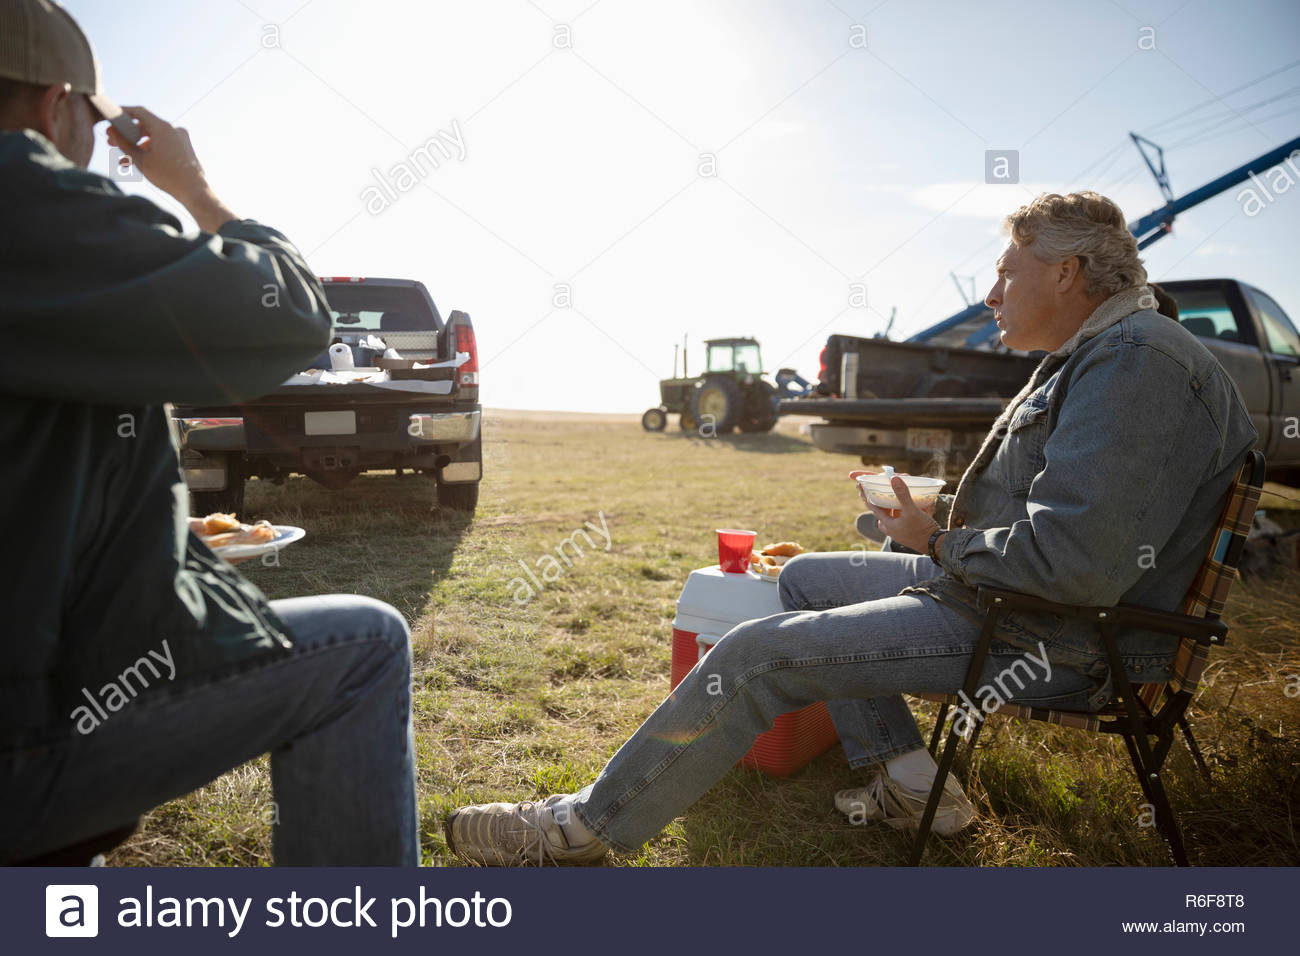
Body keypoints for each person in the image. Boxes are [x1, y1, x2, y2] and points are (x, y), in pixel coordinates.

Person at [445, 190, 1257, 865]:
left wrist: (938, 543)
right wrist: (931, 523)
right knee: (802, 579)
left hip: (1057, 637)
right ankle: (909, 783)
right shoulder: (1106, 351)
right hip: (1008, 598)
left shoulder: (1137, 363)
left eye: (1006, 274)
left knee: (757, 655)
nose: (990, 295)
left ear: (1068, 271)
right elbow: (1064, 522)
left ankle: (579, 828)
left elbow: (1076, 566)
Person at [0, 0, 417, 865]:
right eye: (94, 117)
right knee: (365, 648)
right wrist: (194, 188)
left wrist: (135, 531)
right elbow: (292, 315)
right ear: (55, 105)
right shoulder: (29, 195)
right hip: (25, 741)